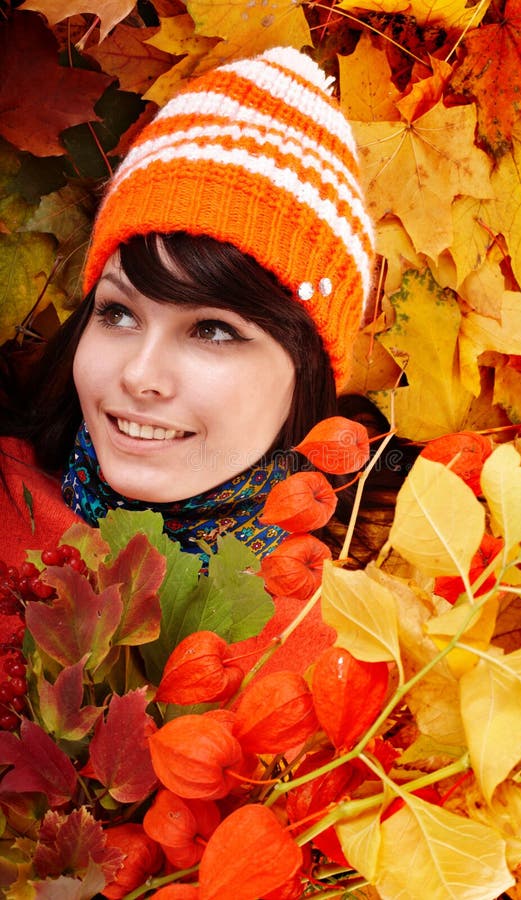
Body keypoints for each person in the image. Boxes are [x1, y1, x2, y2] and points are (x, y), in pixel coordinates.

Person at [0, 46, 378, 671]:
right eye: (119, 314)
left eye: (214, 331)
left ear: (307, 370)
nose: (139, 375)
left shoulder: (333, 651)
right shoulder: (11, 501)